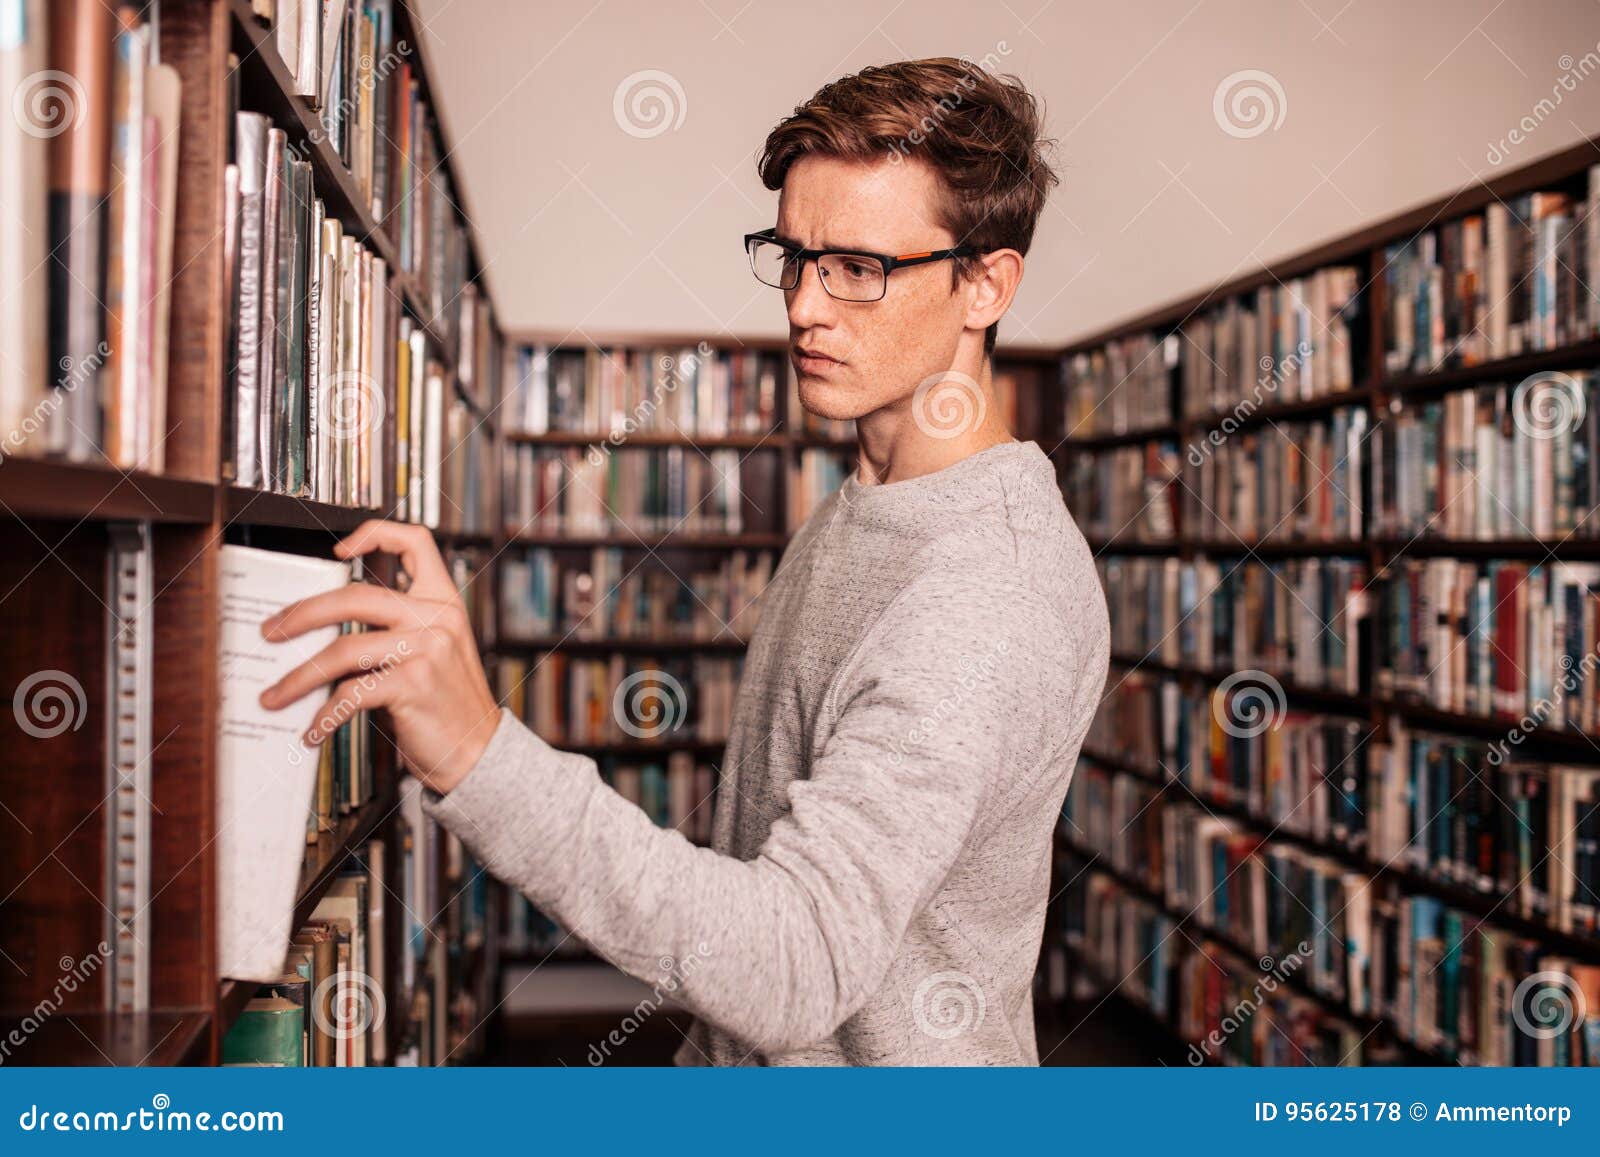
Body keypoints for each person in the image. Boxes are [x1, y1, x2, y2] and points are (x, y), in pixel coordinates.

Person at [259, 57, 1110, 1065]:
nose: (802, 305)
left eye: (858, 268)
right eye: (792, 255)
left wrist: (477, 750)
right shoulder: (868, 506)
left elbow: (796, 964)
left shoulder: (986, 593)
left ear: (985, 283)